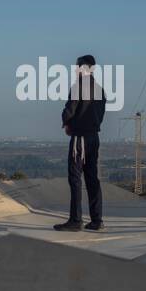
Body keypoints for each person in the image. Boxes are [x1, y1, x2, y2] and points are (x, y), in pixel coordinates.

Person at [55, 55, 107, 232]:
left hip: (80, 139)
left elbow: (70, 110)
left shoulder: (79, 87)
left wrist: (67, 123)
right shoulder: (100, 89)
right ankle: (97, 220)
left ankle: (76, 220)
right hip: (94, 137)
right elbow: (100, 114)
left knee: (75, 178)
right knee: (92, 178)